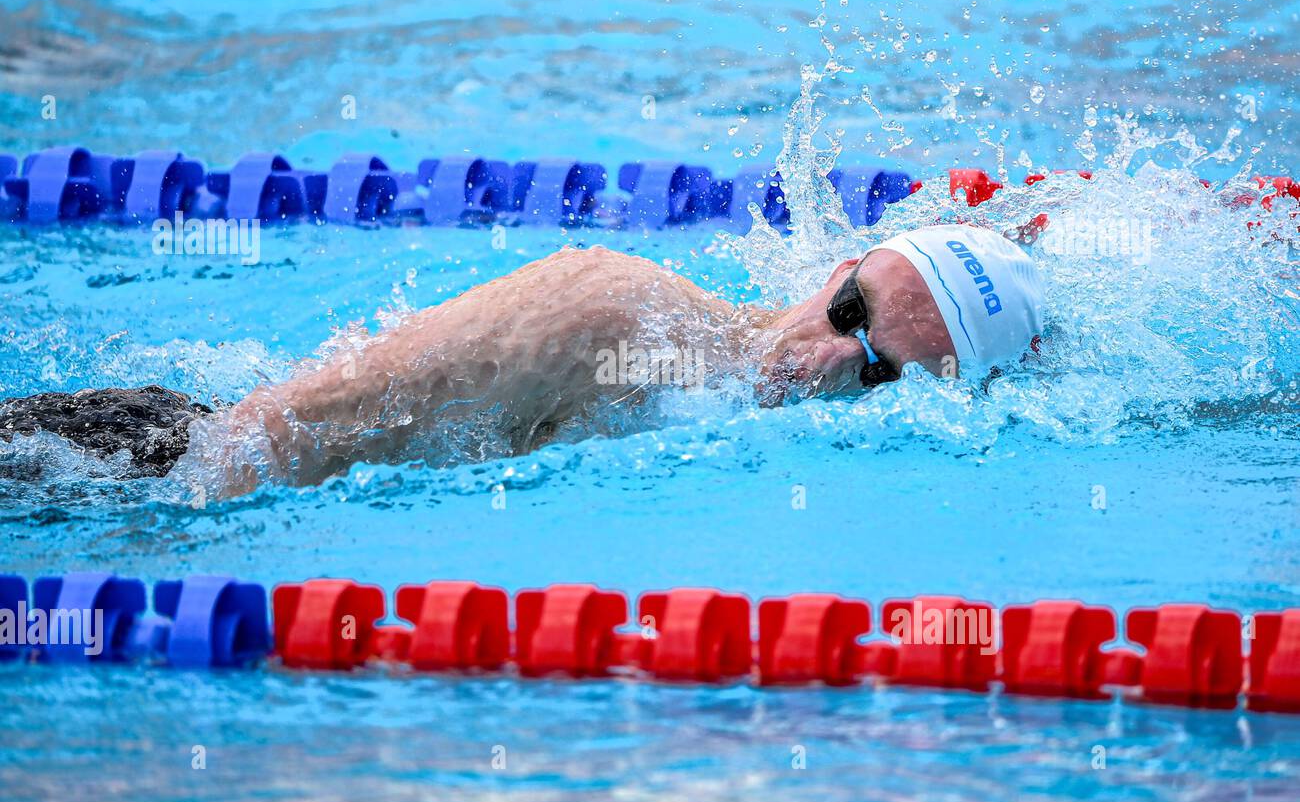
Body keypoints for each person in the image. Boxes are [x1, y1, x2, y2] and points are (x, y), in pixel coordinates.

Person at [1, 224, 1043, 497]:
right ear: (834, 262)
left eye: (873, 372)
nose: (818, 361)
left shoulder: (713, 415)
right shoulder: (609, 314)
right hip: (118, 462)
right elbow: (267, 433)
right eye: (845, 309)